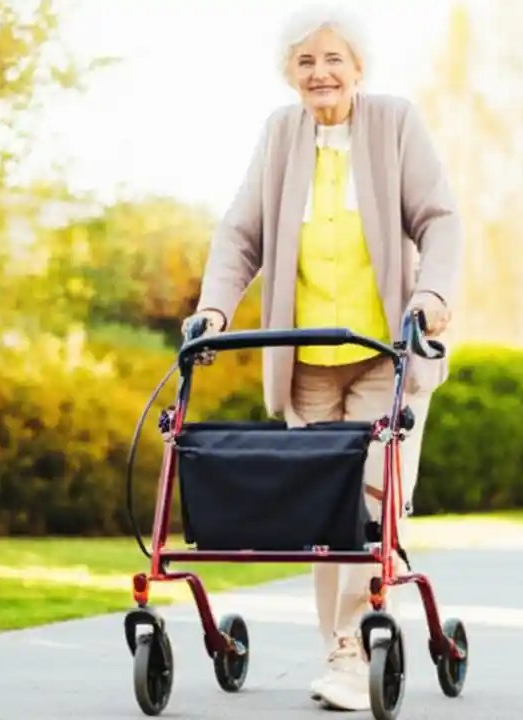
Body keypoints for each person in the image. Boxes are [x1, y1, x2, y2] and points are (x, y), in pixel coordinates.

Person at [181, 4, 463, 712]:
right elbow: (240, 233)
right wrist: (215, 309)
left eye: (333, 59)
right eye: (305, 62)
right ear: (290, 75)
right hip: (304, 362)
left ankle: (358, 643)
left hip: (383, 356)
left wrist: (430, 295)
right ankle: (341, 649)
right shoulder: (281, 135)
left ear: (358, 68)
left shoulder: (393, 123)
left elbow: (440, 219)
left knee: (371, 510)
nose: (320, 73)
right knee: (322, 519)